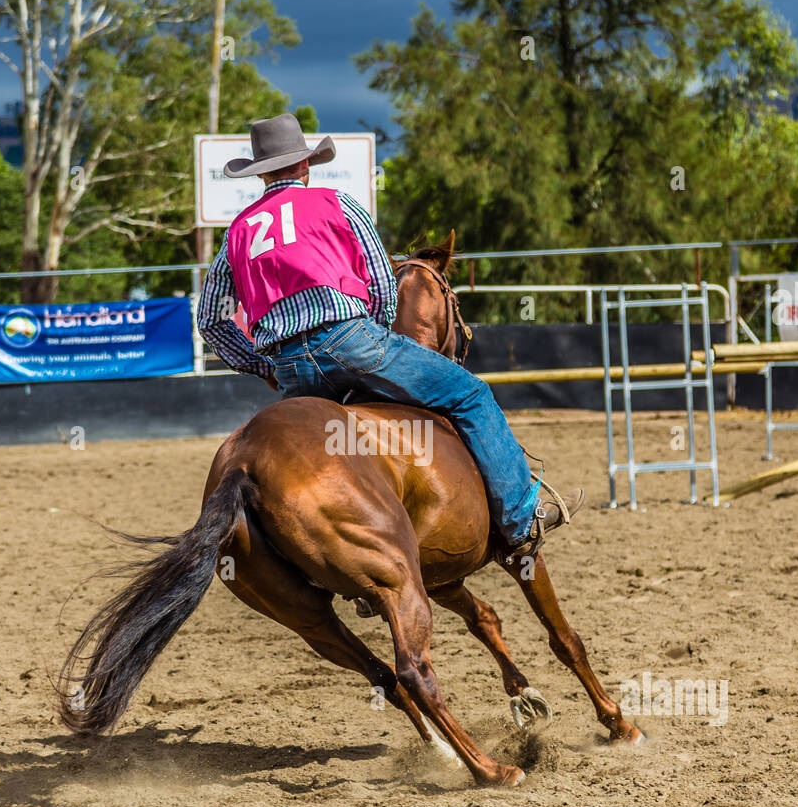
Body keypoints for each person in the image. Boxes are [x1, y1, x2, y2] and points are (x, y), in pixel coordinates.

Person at [196, 112, 582, 561]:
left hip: (292, 368)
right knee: (471, 394)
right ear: (305, 166)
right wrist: (373, 334)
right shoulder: (336, 202)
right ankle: (521, 517)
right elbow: (381, 282)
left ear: (260, 173)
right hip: (352, 342)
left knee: (325, 458)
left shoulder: (238, 232)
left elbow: (210, 320)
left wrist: (264, 363)